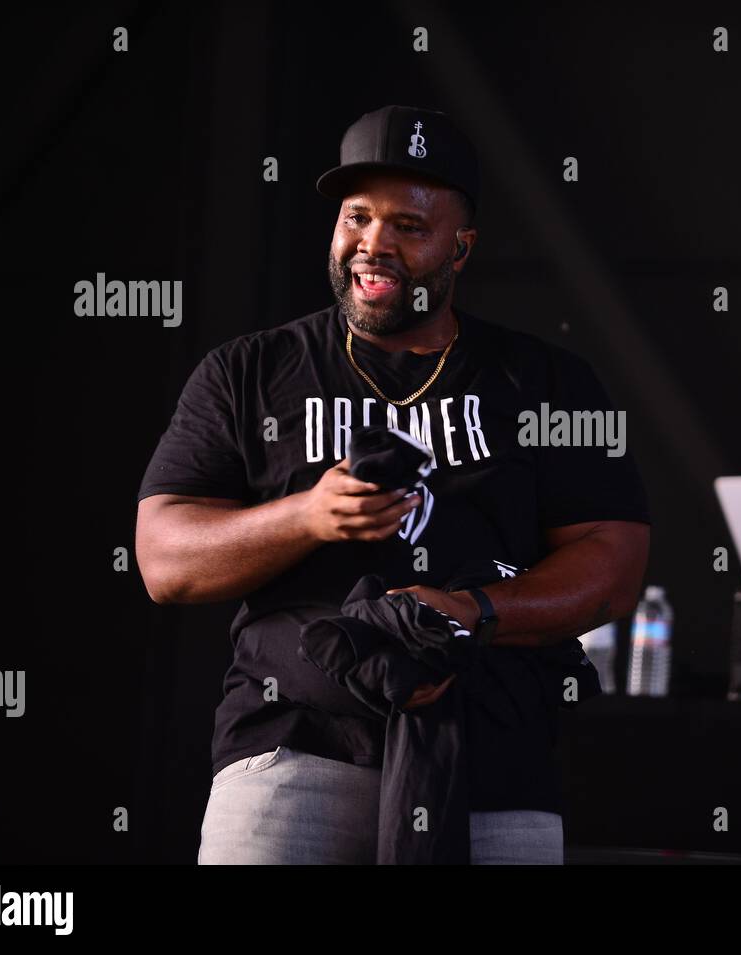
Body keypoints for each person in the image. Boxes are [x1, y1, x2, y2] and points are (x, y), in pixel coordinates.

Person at [134, 104, 650, 864]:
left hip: (491, 757)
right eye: (356, 218)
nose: (374, 245)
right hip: (295, 747)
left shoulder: (546, 382)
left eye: (409, 227)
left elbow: (613, 567)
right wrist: (307, 516)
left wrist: (469, 610)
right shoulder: (248, 370)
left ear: (460, 248)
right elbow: (164, 561)